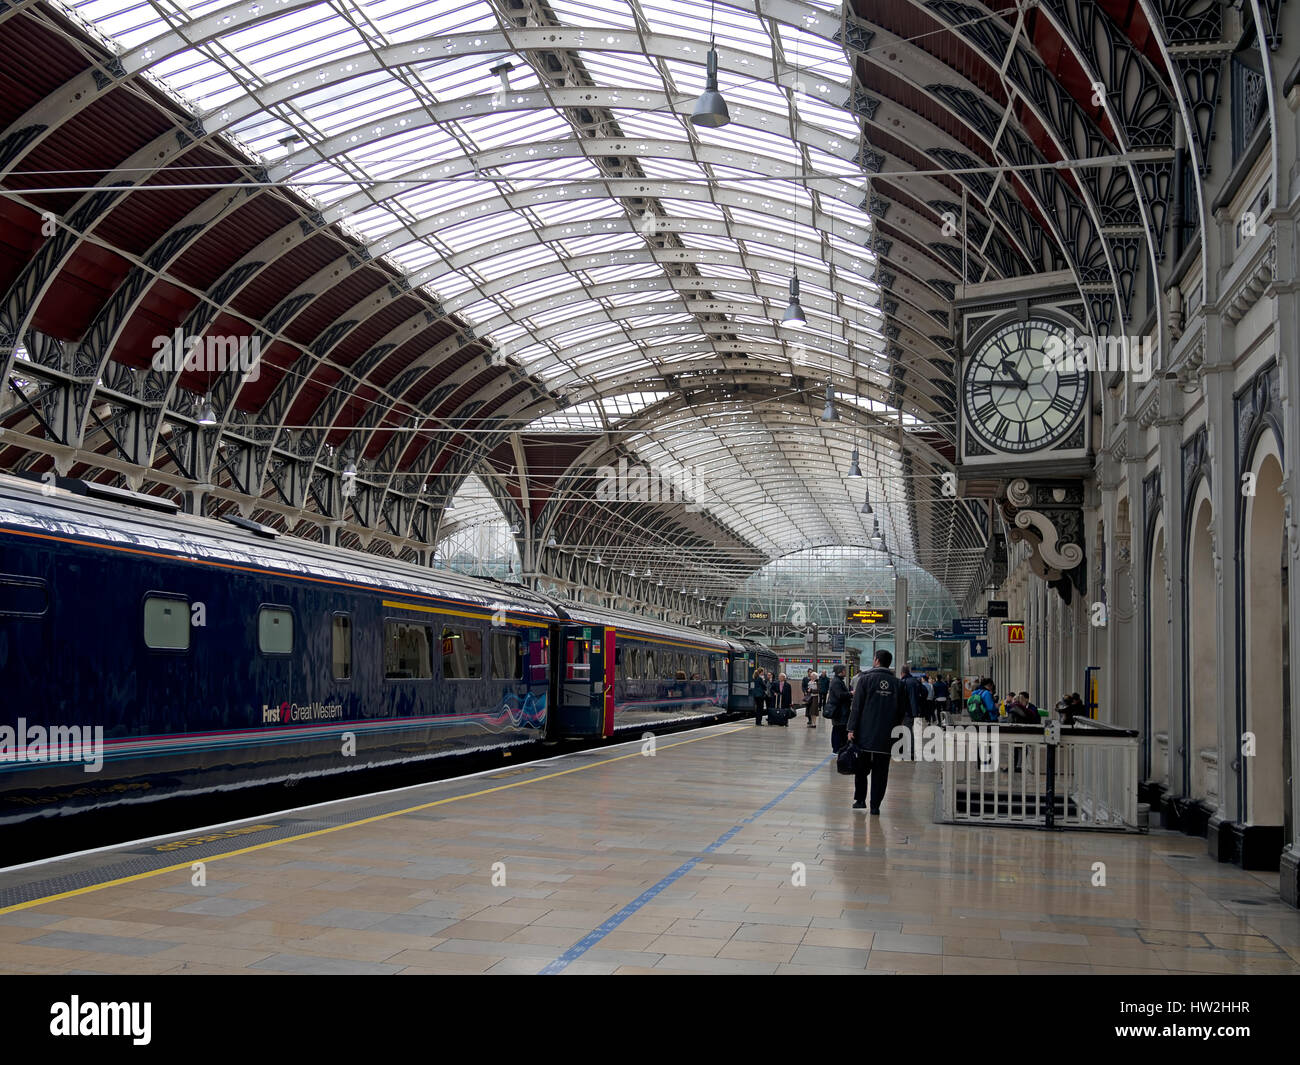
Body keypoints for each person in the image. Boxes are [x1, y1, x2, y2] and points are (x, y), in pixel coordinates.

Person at [846, 649, 904, 813]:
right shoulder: (898, 683)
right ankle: (875, 806)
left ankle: (860, 800)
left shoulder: (865, 679)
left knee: (861, 768)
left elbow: (856, 707)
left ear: (876, 660)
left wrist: (851, 728)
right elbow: (901, 711)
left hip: (864, 734)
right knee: (881, 772)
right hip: (886, 736)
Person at [827, 664, 852, 753]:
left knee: (839, 729)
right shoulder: (837, 682)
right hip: (839, 711)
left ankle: (838, 748)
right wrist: (851, 693)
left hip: (840, 711)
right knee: (838, 729)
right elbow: (840, 695)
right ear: (840, 671)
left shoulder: (838, 681)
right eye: (844, 670)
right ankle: (837, 749)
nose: (846, 672)